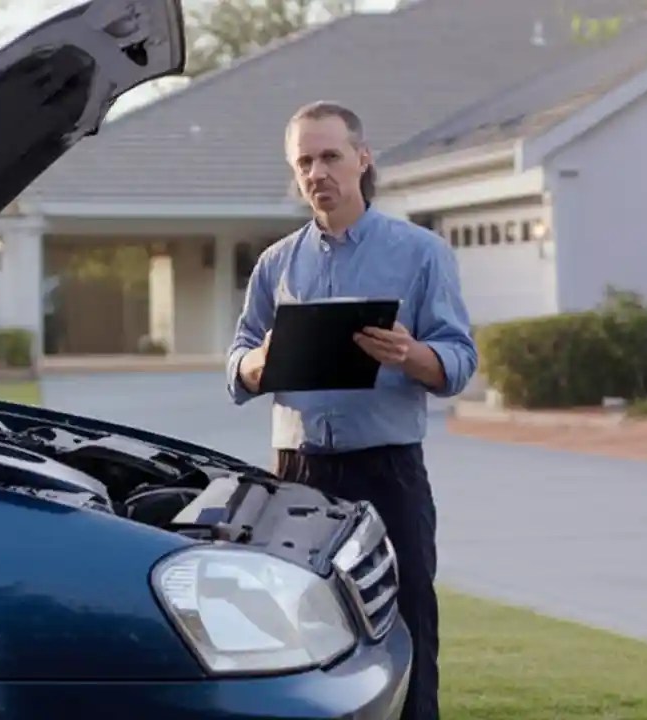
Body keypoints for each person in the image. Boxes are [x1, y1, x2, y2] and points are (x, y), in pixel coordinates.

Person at [225, 100, 477, 720]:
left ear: (362, 159)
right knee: (296, 629)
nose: (317, 173)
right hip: (294, 476)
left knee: (408, 615)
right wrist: (261, 362)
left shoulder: (421, 254)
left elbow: (459, 362)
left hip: (385, 471)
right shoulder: (276, 264)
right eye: (304, 161)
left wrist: (412, 354)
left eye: (330, 156)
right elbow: (236, 365)